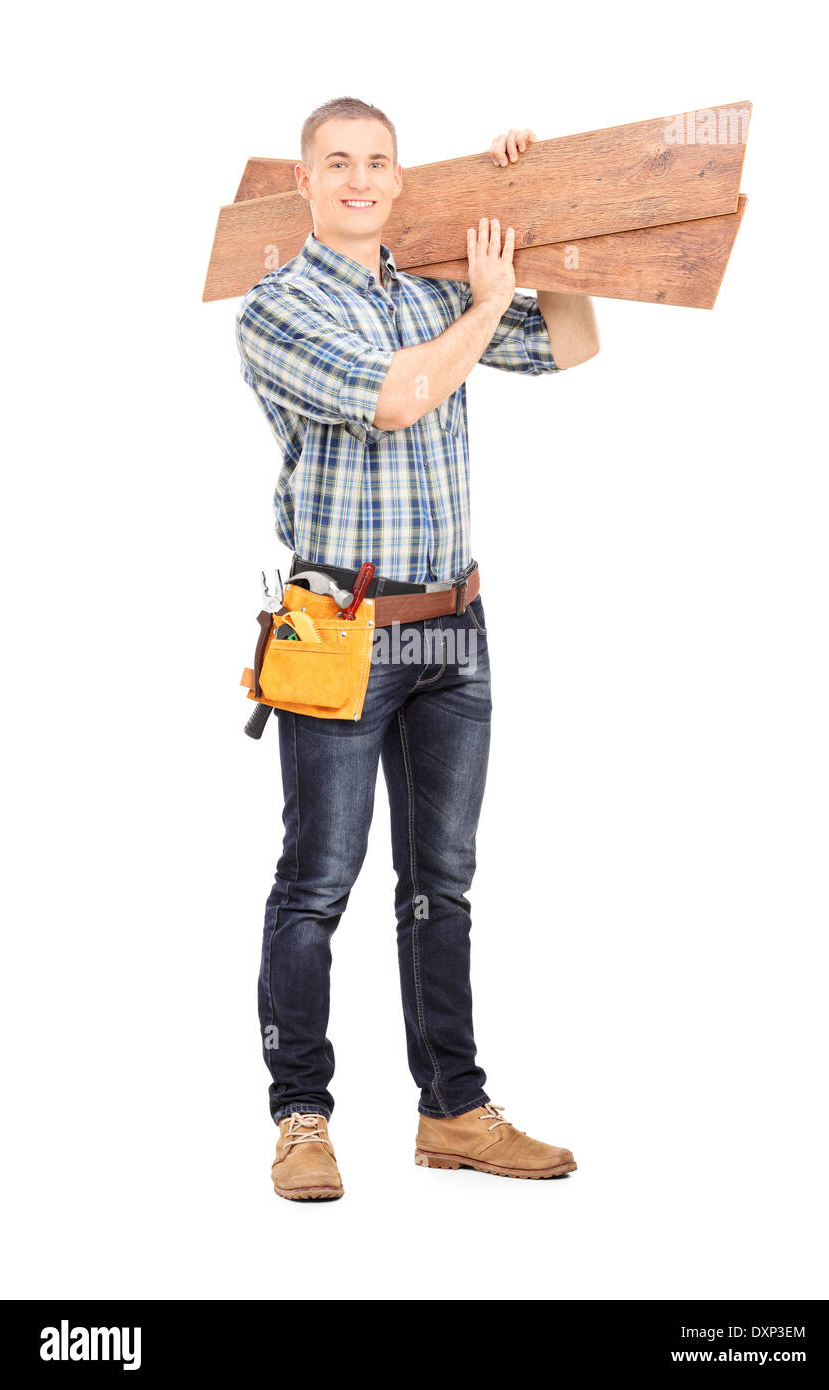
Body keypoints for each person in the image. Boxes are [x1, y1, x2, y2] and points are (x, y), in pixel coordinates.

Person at [235, 96, 599, 1200]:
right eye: (337, 163)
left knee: (441, 881)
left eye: (377, 163)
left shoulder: (435, 287)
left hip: (456, 626)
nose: (359, 180)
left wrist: (530, 217)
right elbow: (401, 395)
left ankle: (452, 1111)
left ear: (397, 179)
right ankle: (301, 1117)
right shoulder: (277, 308)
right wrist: (487, 300)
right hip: (341, 633)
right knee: (317, 882)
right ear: (304, 181)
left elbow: (573, 340)